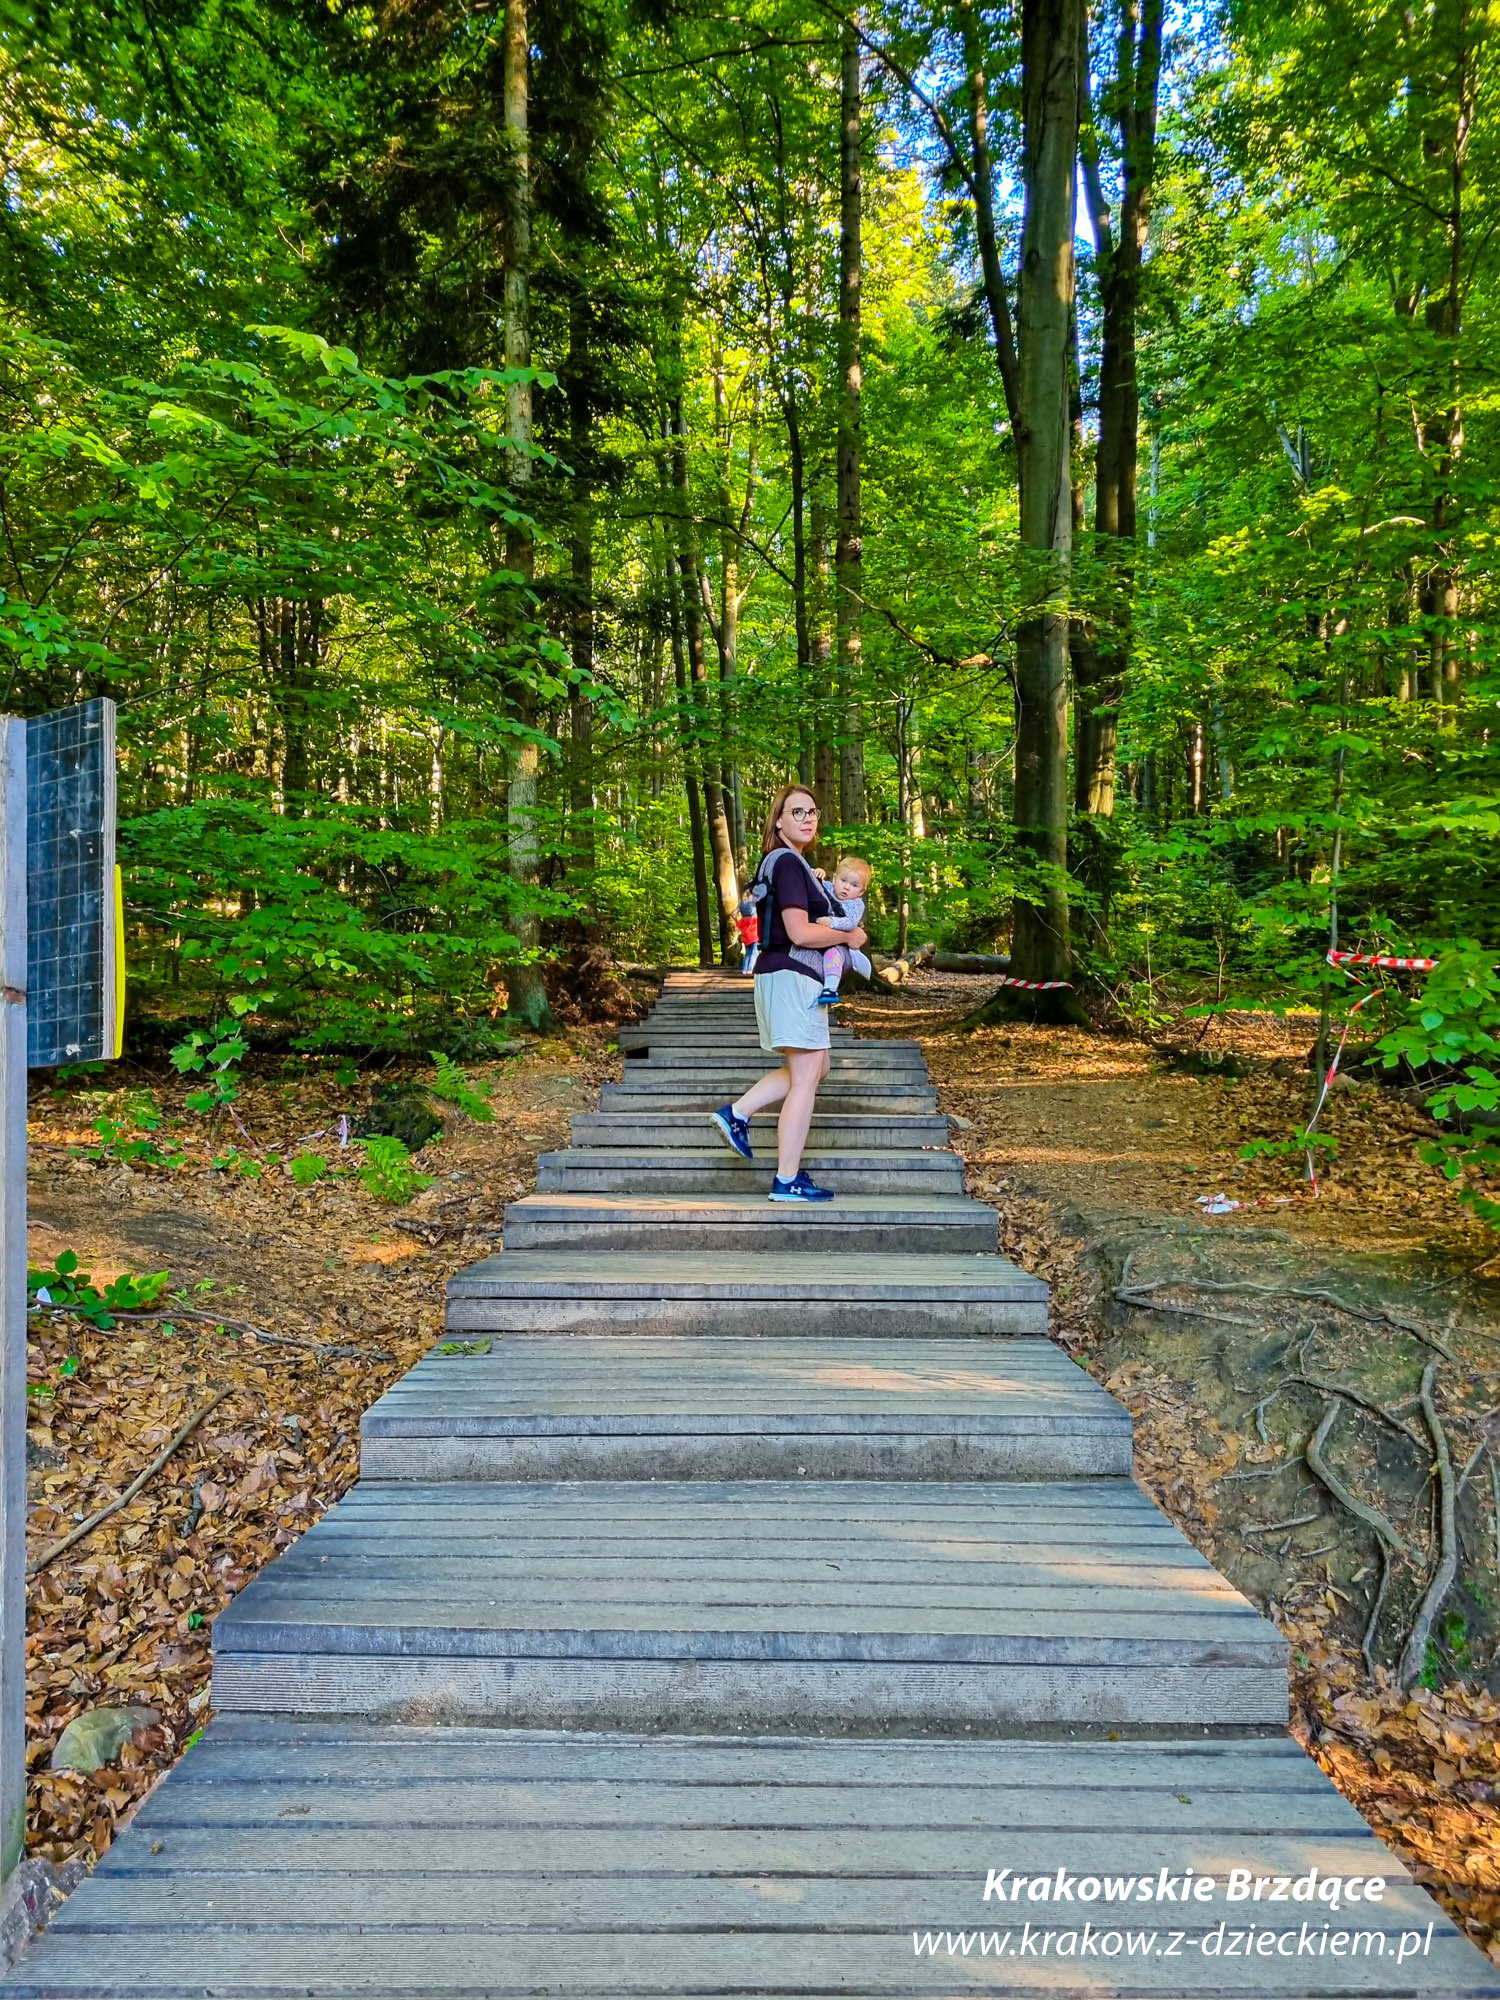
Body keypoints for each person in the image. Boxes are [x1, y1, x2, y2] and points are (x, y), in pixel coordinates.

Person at [708, 783, 868, 1203]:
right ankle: (786, 1178)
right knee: (806, 1079)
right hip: (793, 975)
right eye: (797, 812)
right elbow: (797, 931)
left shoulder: (793, 864)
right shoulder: (788, 865)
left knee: (816, 1069)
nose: (808, 818)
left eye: (812, 811)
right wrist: (849, 936)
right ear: (778, 820)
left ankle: (737, 1114)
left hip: (787, 978)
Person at [816, 855, 872, 1006]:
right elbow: (812, 881)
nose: (846, 887)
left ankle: (830, 988)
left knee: (833, 956)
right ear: (834, 879)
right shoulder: (828, 888)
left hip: (840, 943)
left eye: (854, 885)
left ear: (861, 891)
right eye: (843, 881)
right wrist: (818, 872)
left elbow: (850, 922)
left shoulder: (856, 904)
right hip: (821, 937)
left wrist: (831, 922)